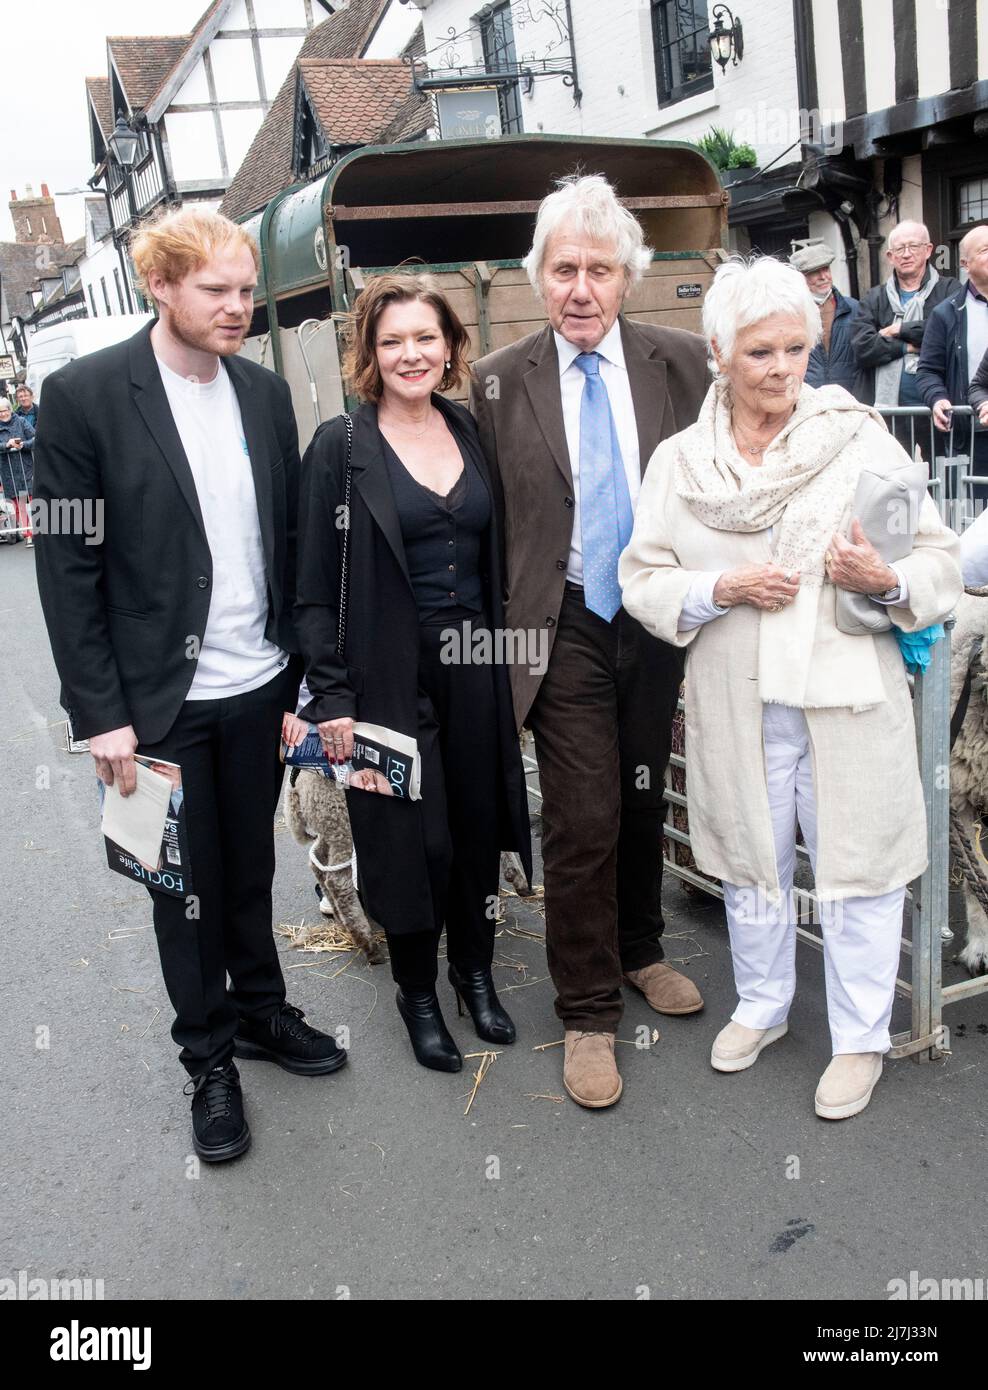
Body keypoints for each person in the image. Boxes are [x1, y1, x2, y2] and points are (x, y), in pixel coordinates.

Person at [33, 207, 345, 1166]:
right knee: (184, 888)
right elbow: (67, 567)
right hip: (159, 704)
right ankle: (208, 1059)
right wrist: (102, 718)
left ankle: (261, 1011)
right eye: (217, 290)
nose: (239, 308)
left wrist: (301, 675)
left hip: (257, 687)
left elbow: (288, 543)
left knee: (249, 869)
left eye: (246, 290)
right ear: (161, 286)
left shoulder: (261, 392)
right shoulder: (85, 395)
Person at [620, 255, 962, 1120]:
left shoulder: (858, 439)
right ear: (719, 353)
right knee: (749, 859)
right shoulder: (681, 463)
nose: (782, 370)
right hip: (738, 698)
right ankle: (765, 1006)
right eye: (761, 353)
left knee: (859, 870)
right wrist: (719, 590)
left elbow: (936, 557)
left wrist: (880, 578)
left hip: (846, 693)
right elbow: (642, 577)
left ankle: (860, 1040)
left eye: (797, 350)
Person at [469, 174, 709, 1110]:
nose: (580, 288)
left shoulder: (682, 364)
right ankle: (587, 1012)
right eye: (563, 268)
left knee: (646, 792)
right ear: (537, 276)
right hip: (560, 619)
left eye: (598, 270)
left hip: (654, 616)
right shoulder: (496, 382)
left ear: (627, 277)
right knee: (583, 813)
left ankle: (642, 946)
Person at [295, 273, 532, 1074]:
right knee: (411, 841)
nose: (410, 354)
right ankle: (418, 991)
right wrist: (330, 694)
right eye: (392, 340)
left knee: (474, 830)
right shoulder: (341, 448)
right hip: (383, 677)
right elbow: (310, 589)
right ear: (369, 352)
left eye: (425, 338)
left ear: (450, 347)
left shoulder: (467, 431)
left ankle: (475, 973)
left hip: (475, 669)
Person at [851, 221, 961, 453]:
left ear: (928, 250)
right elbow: (862, 347)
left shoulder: (949, 289)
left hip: (937, 406)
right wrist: (908, 348)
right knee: (895, 479)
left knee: (942, 479)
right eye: (900, 249)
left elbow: (947, 334)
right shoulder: (874, 297)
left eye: (913, 246)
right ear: (890, 256)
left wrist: (897, 330)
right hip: (888, 412)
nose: (907, 254)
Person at [916, 223, 988, 478]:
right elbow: (927, 371)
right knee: (976, 512)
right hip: (972, 434)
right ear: (966, 265)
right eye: (985, 250)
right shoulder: (946, 313)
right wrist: (937, 398)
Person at [788, 240, 861, 397]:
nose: (823, 277)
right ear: (802, 277)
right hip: (808, 399)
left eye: (826, 269)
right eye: (814, 272)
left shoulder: (854, 308)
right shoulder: (792, 314)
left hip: (850, 398)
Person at [0, 396, 34, 545]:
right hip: (8, 472)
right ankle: (28, 533)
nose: (2, 414)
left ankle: (41, 532)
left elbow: (36, 438)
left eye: (5, 410)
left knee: (34, 501)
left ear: (10, 409)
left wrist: (23, 445)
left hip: (25, 467)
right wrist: (6, 445)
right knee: (19, 505)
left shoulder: (21, 421)